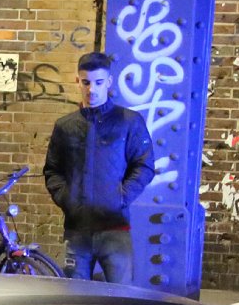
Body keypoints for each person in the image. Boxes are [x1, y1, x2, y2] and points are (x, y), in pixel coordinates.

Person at [42, 51, 155, 283]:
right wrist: (68, 199)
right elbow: (52, 170)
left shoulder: (129, 122)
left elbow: (144, 165)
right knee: (74, 301)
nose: (91, 89)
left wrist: (120, 197)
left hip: (115, 229)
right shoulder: (65, 126)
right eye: (86, 82)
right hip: (77, 230)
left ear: (109, 82)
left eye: (99, 82)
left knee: (121, 300)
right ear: (78, 81)